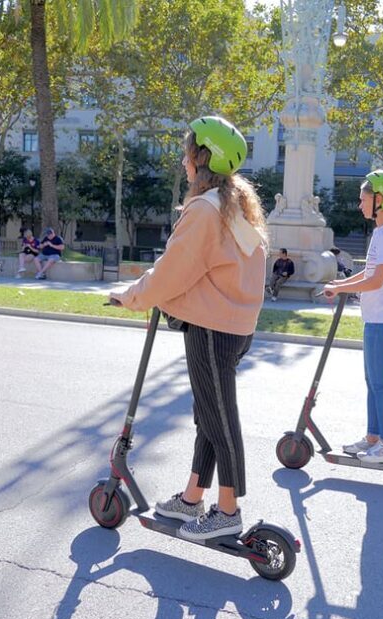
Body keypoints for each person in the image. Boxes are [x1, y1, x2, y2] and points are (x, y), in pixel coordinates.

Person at [110, 115, 267, 541]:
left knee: (220, 418)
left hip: (213, 329)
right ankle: (193, 495)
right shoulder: (234, 207)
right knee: (209, 415)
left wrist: (132, 296)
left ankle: (228, 511)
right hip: (235, 326)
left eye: (187, 153)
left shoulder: (204, 209)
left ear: (201, 158)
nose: (183, 162)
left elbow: (171, 272)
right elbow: (239, 267)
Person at [321, 170, 383, 464]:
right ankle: (373, 438)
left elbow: (375, 282)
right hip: (375, 319)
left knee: (380, 384)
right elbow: (368, 274)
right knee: (372, 383)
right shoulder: (381, 233)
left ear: (380, 200)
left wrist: (342, 287)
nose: (359, 205)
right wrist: (339, 285)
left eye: (363, 199)